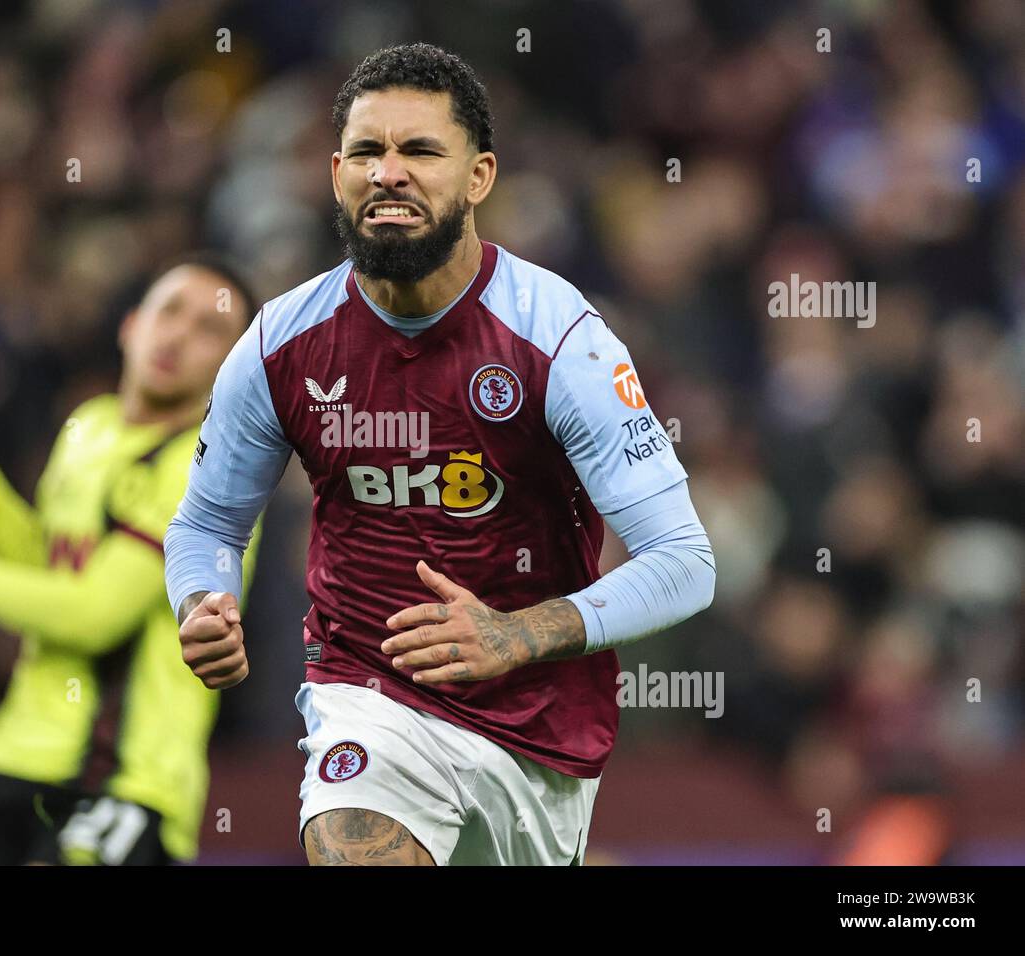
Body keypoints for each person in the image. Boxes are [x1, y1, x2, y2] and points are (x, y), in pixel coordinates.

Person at [164, 44, 717, 866]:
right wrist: (202, 599)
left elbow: (685, 562)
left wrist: (517, 636)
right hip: (365, 696)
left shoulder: (560, 339)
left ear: (480, 177)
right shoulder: (280, 342)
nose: (389, 173)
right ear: (336, 173)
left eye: (420, 151)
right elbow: (207, 520)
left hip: (537, 726)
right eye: (367, 152)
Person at [0, 254, 260, 865]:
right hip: (18, 752)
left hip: (124, 779)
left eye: (210, 329)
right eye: (169, 312)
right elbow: (46, 570)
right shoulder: (89, 427)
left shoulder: (213, 468)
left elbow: (94, 613)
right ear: (131, 325)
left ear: (236, 365)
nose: (178, 335)